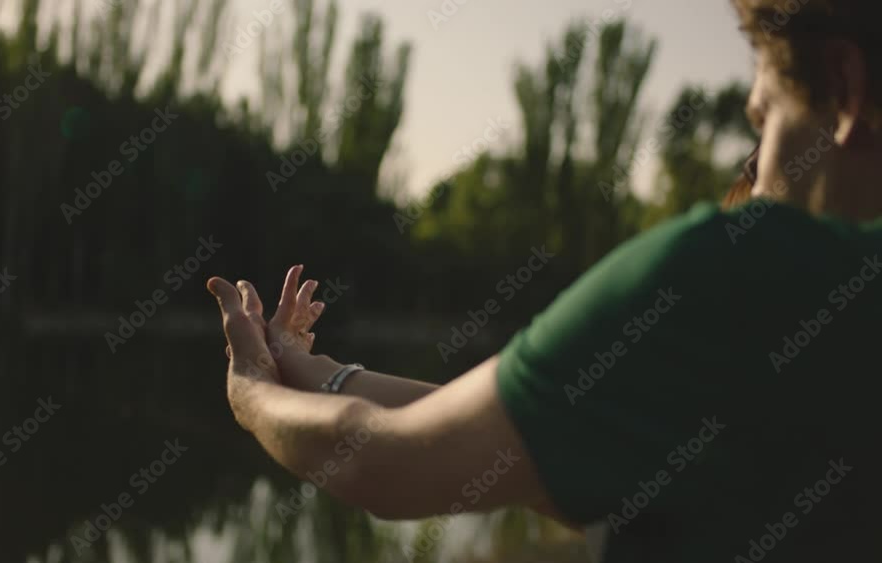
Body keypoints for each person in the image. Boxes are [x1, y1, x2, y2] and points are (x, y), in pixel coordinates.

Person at [206, 1, 882, 560]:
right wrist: (310, 365)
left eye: (764, 118)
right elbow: (523, 432)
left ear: (846, 89)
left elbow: (385, 464)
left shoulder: (739, 271)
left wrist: (254, 388)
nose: (754, 165)